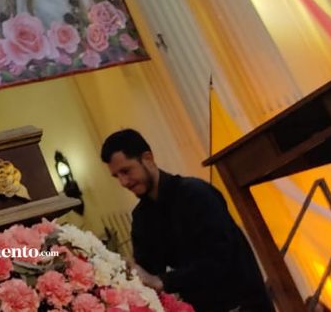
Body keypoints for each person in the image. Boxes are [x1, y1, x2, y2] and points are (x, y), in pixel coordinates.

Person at [101, 129, 274, 312]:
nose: (123, 182)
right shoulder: (142, 217)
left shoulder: (196, 193)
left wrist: (162, 281)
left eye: (126, 171)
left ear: (147, 158)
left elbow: (221, 258)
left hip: (243, 304)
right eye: (117, 176)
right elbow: (147, 272)